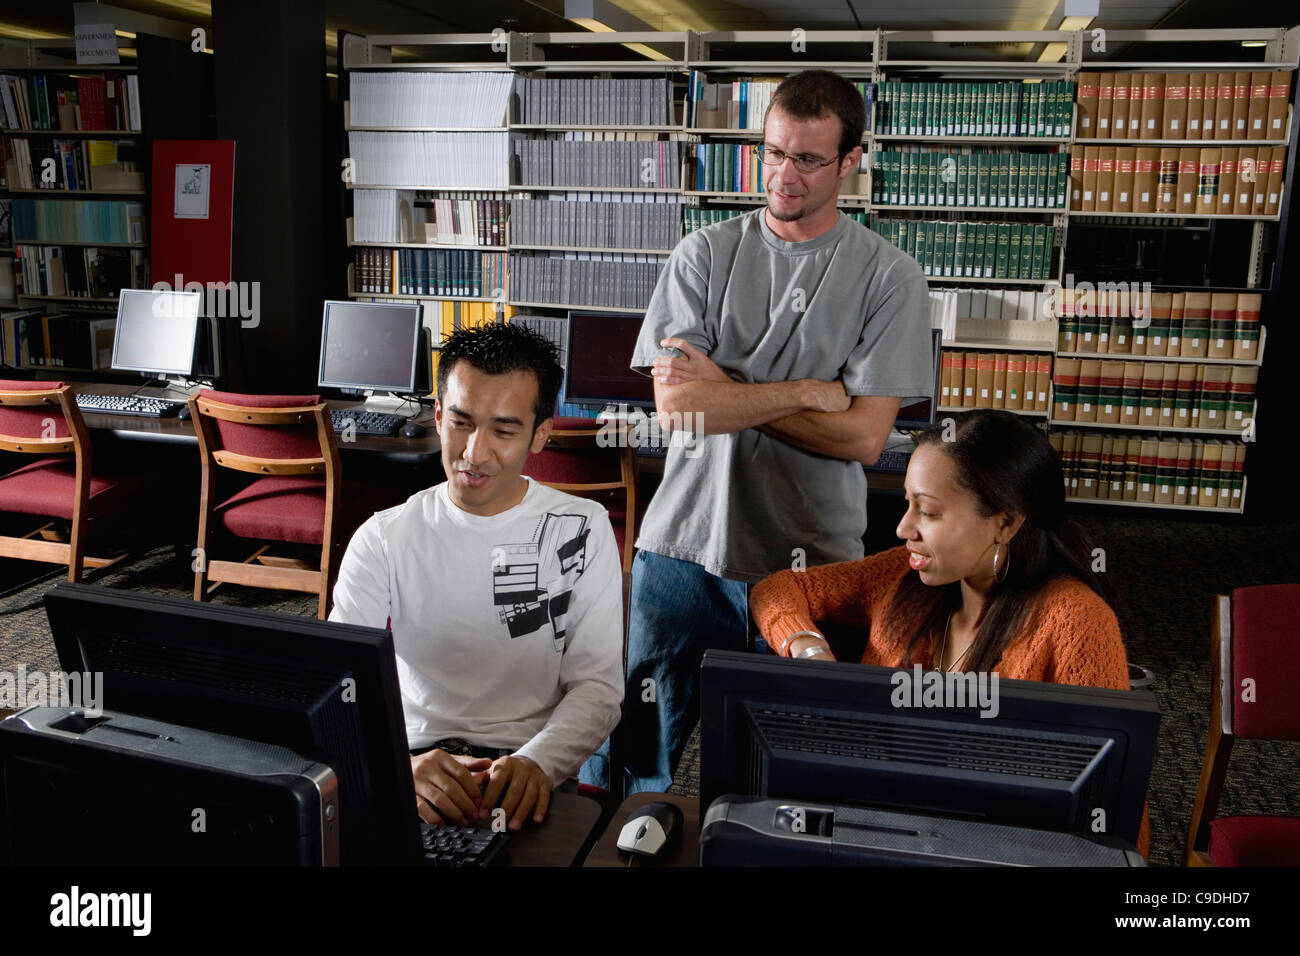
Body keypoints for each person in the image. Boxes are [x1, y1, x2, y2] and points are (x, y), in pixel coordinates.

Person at [581, 69, 934, 794]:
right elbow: (678, 410)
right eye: (772, 153)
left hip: (811, 569)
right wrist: (808, 392)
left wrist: (727, 390)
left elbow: (864, 439)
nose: (784, 175)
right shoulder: (703, 254)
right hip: (682, 555)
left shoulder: (889, 278)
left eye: (808, 159)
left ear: (851, 162)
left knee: (794, 780)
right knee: (627, 763)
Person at [750, 409, 1150, 856]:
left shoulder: (1076, 620)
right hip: (879, 829)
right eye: (907, 503)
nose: (903, 529)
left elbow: (1115, 818)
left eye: (929, 512)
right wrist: (808, 651)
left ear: (1005, 523)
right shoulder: (901, 574)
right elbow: (780, 588)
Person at [329, 323, 623, 830]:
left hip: (529, 762)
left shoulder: (582, 528)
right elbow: (334, 687)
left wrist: (540, 763)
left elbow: (596, 687)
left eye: (504, 431)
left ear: (541, 435)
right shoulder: (383, 536)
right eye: (461, 423)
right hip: (415, 762)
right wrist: (397, 766)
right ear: (439, 416)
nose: (474, 454)